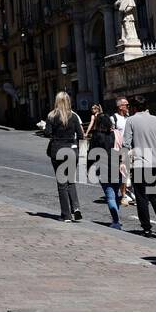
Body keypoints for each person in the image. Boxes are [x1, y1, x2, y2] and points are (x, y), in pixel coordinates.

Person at [122, 94, 156, 238]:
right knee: (155, 194)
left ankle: (146, 228)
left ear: (133, 107)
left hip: (140, 163)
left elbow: (126, 144)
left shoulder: (131, 121)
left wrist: (123, 162)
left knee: (141, 198)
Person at [45, 91, 84, 222]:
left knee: (62, 184)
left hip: (57, 150)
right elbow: (81, 135)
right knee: (71, 181)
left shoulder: (51, 116)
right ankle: (76, 208)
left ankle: (66, 215)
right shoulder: (73, 116)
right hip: (72, 151)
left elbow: (47, 133)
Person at [84, 103, 122, 228]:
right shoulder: (116, 134)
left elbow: (91, 154)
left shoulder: (96, 136)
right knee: (116, 194)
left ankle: (116, 221)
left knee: (110, 195)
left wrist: (88, 168)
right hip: (117, 166)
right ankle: (116, 218)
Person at [113, 96, 134, 205]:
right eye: (127, 105)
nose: (128, 107)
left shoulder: (129, 118)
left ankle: (129, 192)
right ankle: (124, 194)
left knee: (131, 173)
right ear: (121, 107)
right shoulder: (114, 118)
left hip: (130, 149)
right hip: (120, 150)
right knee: (123, 173)